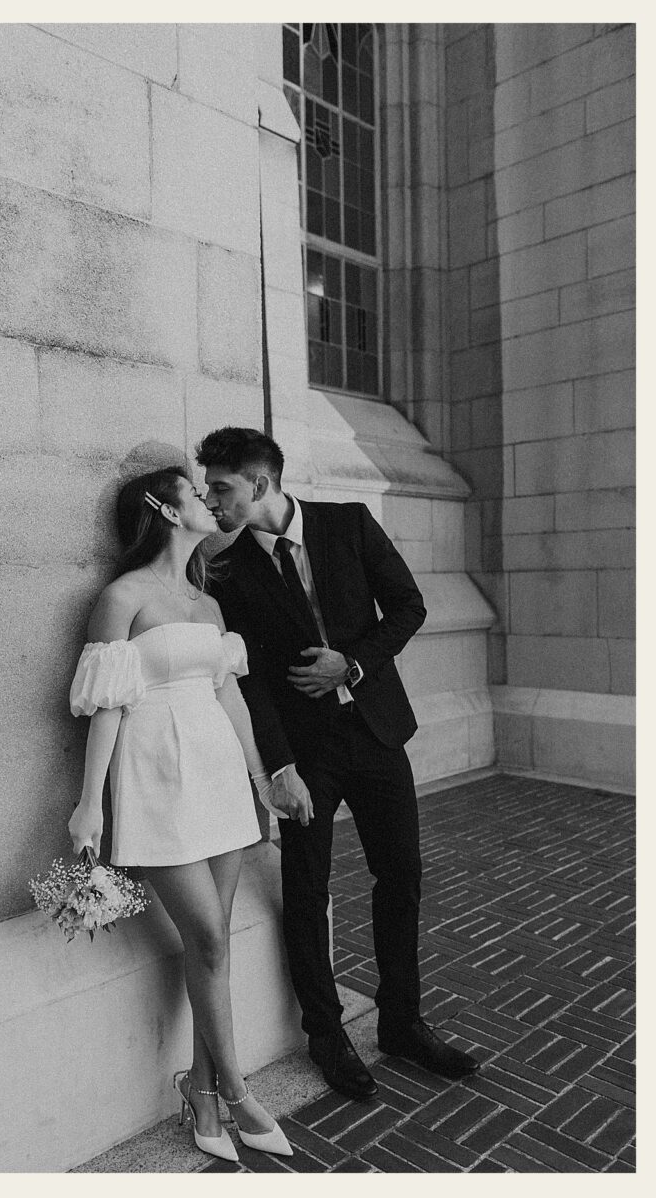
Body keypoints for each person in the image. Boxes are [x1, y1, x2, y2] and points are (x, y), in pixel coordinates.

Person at [196, 427, 479, 1102]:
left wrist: (350, 664)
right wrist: (279, 766)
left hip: (376, 730)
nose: (211, 499)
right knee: (307, 889)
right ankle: (326, 1035)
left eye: (222, 486)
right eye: (207, 488)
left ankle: (403, 1022)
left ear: (261, 484)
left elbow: (409, 607)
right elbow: (253, 678)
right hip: (307, 754)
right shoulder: (230, 570)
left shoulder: (349, 525)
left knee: (401, 876)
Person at [68, 465, 305, 1163]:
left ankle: (200, 1093)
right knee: (206, 937)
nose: (209, 500)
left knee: (217, 942)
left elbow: (230, 697)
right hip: (155, 777)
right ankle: (236, 1091)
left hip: (219, 777)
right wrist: (90, 804)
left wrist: (260, 777)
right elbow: (109, 704)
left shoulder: (206, 602)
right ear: (166, 511)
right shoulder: (122, 597)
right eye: (196, 494)